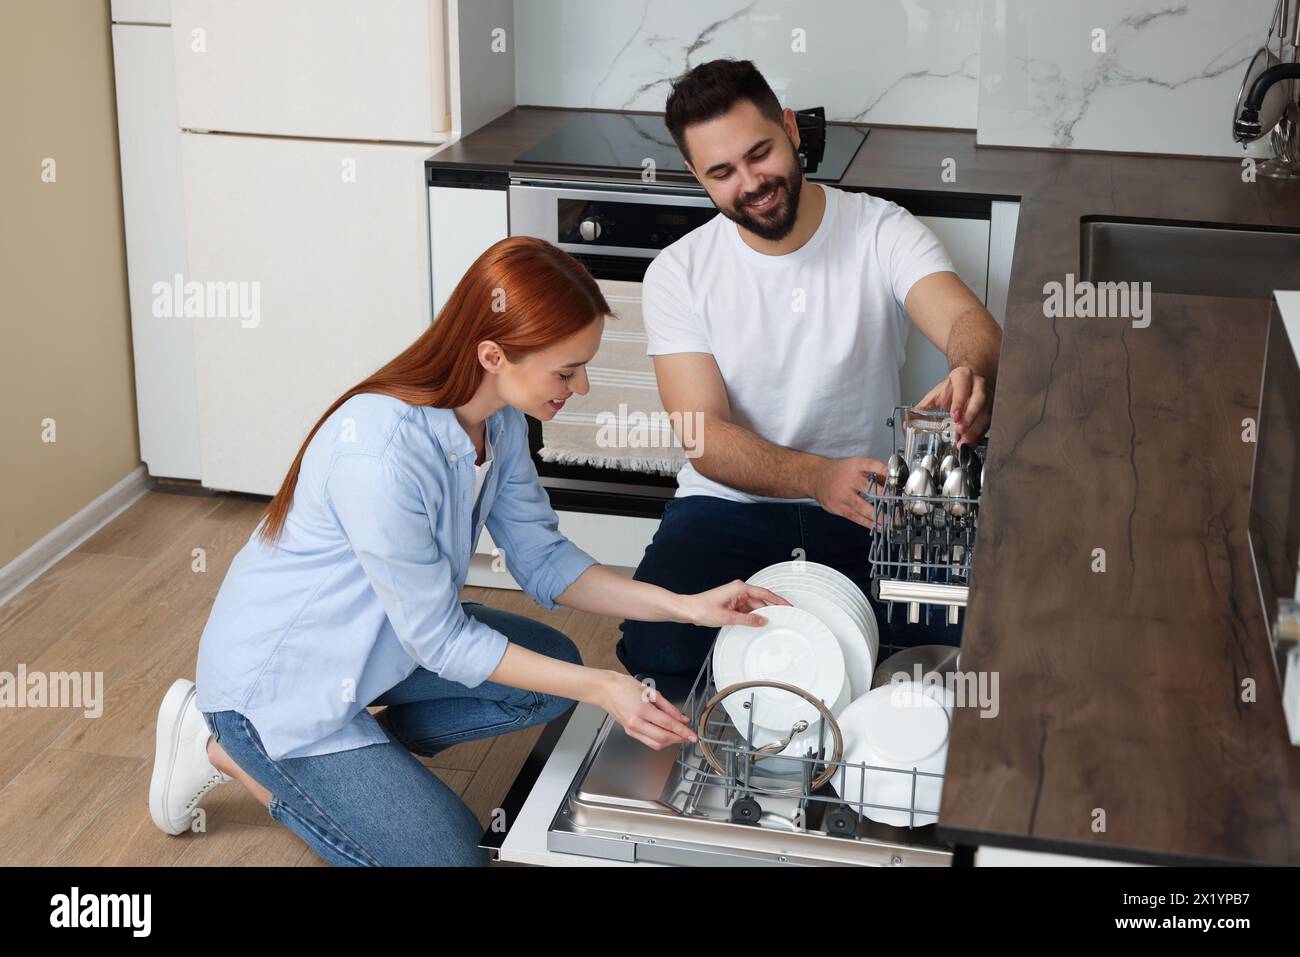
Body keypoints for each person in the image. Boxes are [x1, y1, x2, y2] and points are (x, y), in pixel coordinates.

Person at [148, 236, 787, 866]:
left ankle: (365, 772)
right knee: (453, 860)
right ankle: (223, 748)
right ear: (492, 354)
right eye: (567, 370)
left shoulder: (499, 423)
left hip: (379, 648)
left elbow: (544, 560)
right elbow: (443, 642)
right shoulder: (380, 455)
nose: (583, 386)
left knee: (552, 669)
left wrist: (686, 607)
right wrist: (604, 687)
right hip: (280, 692)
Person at [616, 59, 1003, 682]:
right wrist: (817, 477)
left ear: (791, 130)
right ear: (698, 177)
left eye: (759, 152)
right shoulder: (678, 272)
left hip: (870, 500)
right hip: (728, 506)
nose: (751, 182)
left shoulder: (880, 230)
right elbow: (703, 437)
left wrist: (970, 367)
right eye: (722, 172)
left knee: (951, 639)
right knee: (660, 651)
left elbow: (968, 323)